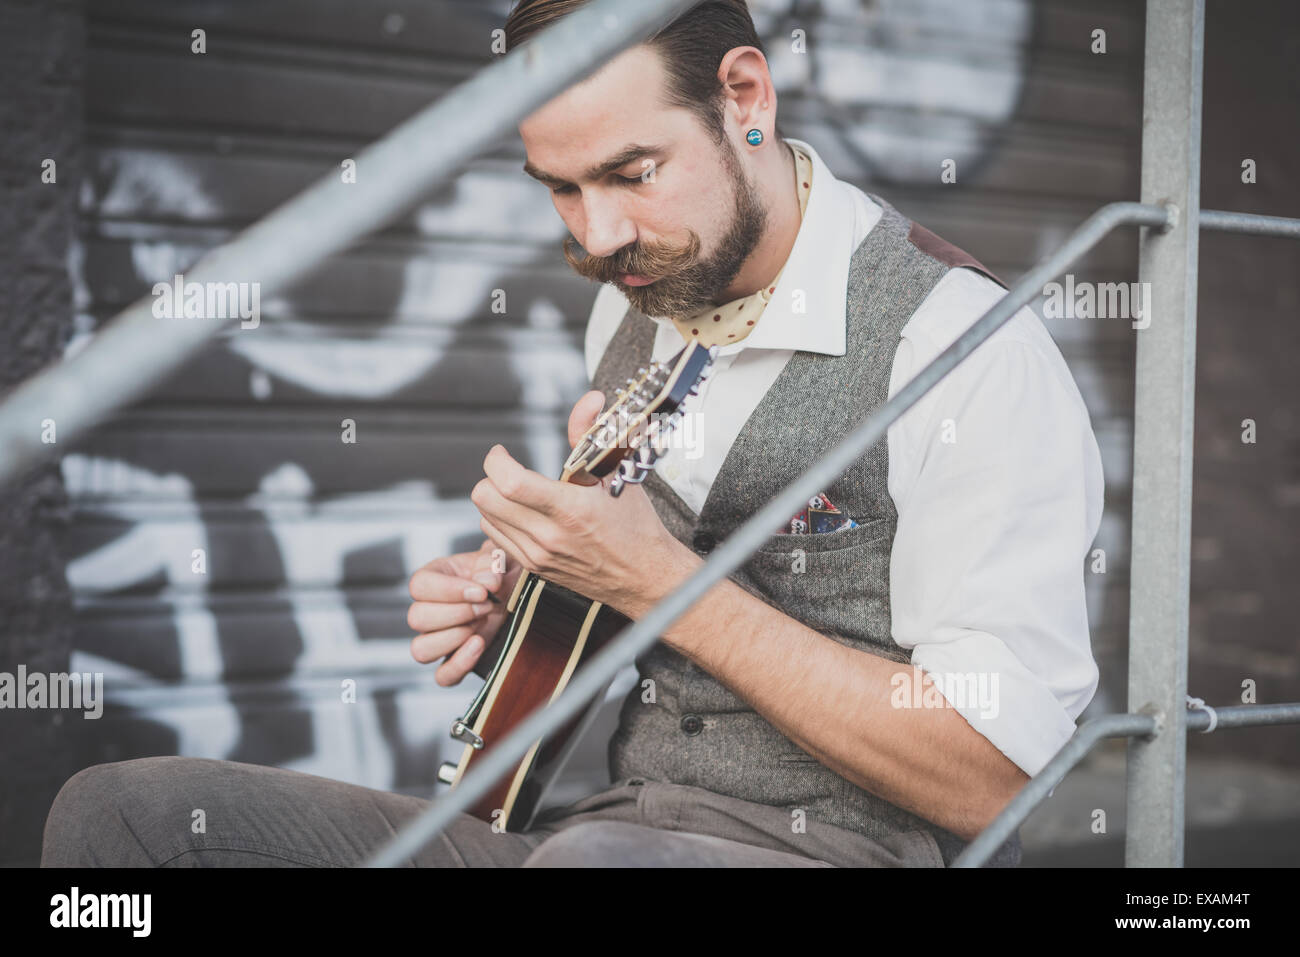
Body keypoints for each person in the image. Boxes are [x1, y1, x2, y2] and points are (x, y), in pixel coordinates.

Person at [42, 0, 1101, 868]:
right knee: (120, 822)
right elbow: (625, 573)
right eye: (560, 188)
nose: (597, 238)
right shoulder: (635, 294)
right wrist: (533, 592)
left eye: (631, 173)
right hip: (608, 826)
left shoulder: (958, 345)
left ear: (744, 95)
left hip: (844, 854)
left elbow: (991, 775)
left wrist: (660, 586)